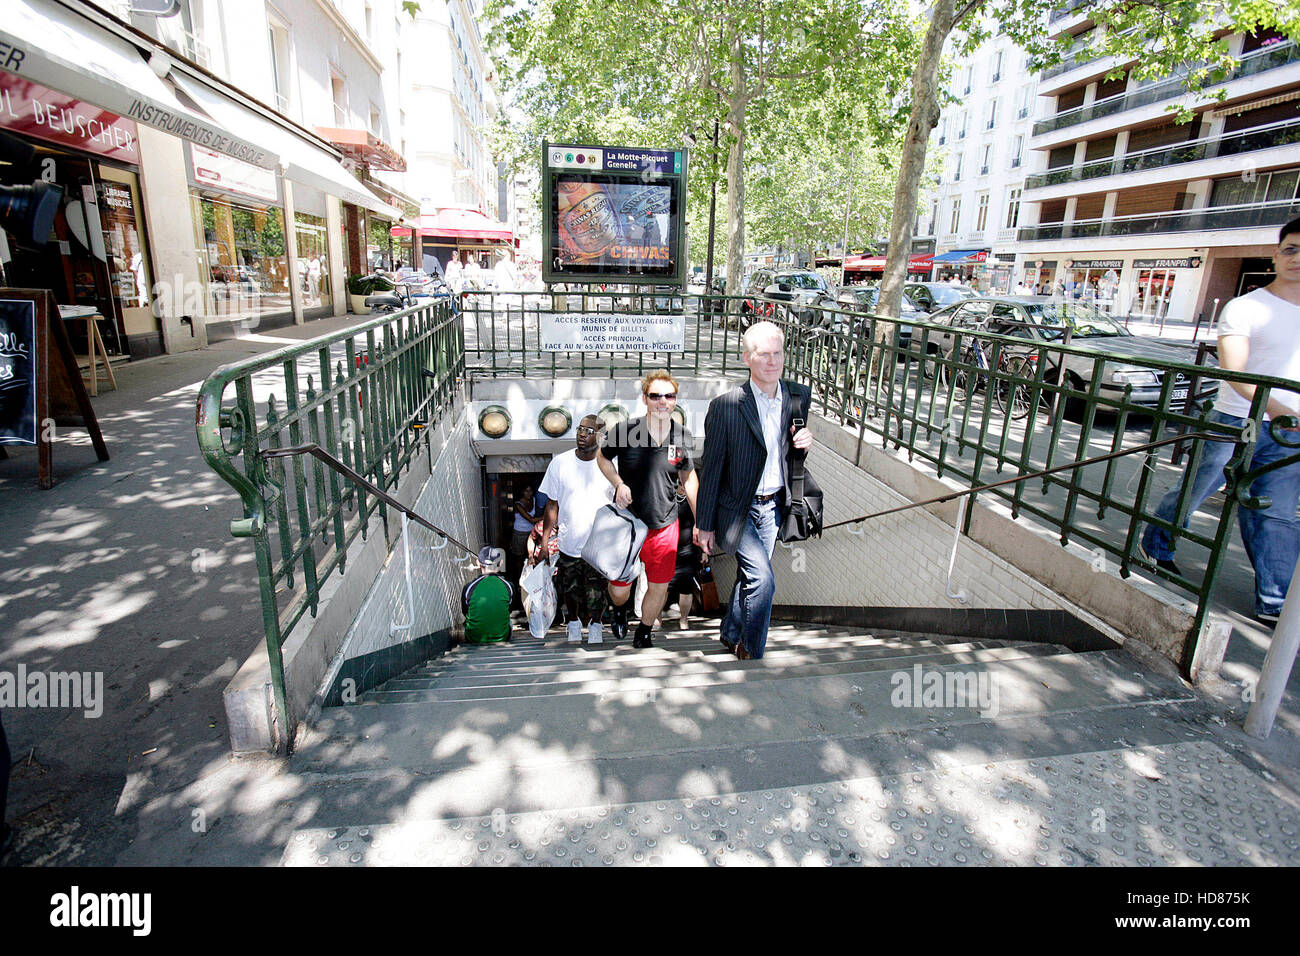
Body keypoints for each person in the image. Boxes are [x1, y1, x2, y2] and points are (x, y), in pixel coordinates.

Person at [1140, 216, 1300, 625]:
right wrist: (1281, 411)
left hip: (1290, 433)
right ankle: (1158, 543)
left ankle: (1275, 599)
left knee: (1274, 511)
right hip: (1235, 420)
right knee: (1198, 486)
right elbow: (1236, 373)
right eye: (1291, 250)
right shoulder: (1246, 307)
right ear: (1275, 255)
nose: (1297, 260)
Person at [697, 321, 814, 659]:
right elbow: (712, 467)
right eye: (764, 355)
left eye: (778, 354)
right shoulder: (726, 406)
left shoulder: (798, 396)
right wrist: (704, 524)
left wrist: (804, 443)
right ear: (747, 357)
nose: (773, 361)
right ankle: (750, 649)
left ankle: (729, 631)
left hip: (774, 505)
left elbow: (790, 448)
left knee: (749, 577)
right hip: (736, 510)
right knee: (763, 580)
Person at [597, 370, 699, 648]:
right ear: (645, 399)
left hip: (665, 524)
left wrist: (701, 521)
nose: (663, 401)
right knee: (620, 588)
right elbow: (603, 459)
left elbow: (688, 478)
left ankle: (643, 631)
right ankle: (618, 609)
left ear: (675, 399)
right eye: (656, 396)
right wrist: (618, 483)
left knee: (659, 586)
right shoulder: (626, 430)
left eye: (669, 396)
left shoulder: (681, 436)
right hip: (627, 525)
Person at [536, 415, 614, 644]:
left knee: (597, 589)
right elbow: (552, 504)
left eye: (589, 430)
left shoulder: (611, 465)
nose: (582, 433)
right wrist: (544, 543)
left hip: (599, 545)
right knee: (570, 589)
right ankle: (573, 624)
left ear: (601, 436)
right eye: (580, 429)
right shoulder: (560, 463)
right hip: (569, 543)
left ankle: (597, 625)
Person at [663, 477, 704, 630]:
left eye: (685, 482)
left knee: (686, 587)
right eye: (680, 483)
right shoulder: (668, 498)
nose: (683, 486)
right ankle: (656, 619)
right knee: (663, 586)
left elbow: (702, 523)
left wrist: (703, 551)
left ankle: (684, 620)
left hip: (689, 548)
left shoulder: (694, 500)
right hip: (668, 547)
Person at [461, 546, 514, 644]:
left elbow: (465, 611)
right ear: (500, 563)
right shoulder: (508, 586)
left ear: (478, 562)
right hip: (502, 637)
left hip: (473, 638)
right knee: (509, 621)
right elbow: (509, 610)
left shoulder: (469, 587)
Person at [508, 485, 546, 612]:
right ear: (522, 492)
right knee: (519, 559)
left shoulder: (535, 501)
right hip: (519, 534)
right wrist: (549, 517)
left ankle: (530, 582)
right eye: (526, 490)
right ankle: (520, 584)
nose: (529, 493)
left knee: (532, 558)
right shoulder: (518, 504)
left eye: (530, 490)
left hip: (532, 533)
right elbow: (531, 519)